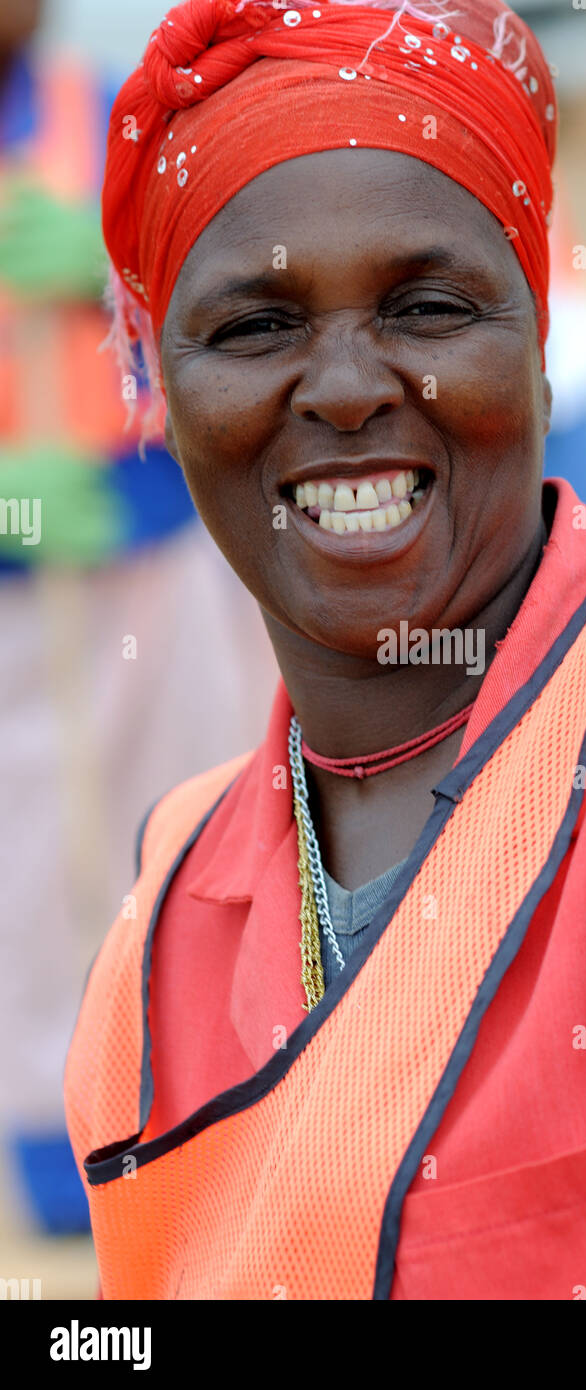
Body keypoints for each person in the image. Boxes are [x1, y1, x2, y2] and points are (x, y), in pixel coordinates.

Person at [64, 0, 586, 1300]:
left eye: (427, 307)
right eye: (255, 326)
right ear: (159, 390)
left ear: (541, 350)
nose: (342, 386)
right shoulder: (163, 936)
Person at [0, 0, 276, 1233]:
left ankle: (190, 1103)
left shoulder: (112, 112)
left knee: (184, 821)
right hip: (19, 582)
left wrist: (120, 271)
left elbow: (233, 295)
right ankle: (55, 1138)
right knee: (28, 859)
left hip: (149, 539)